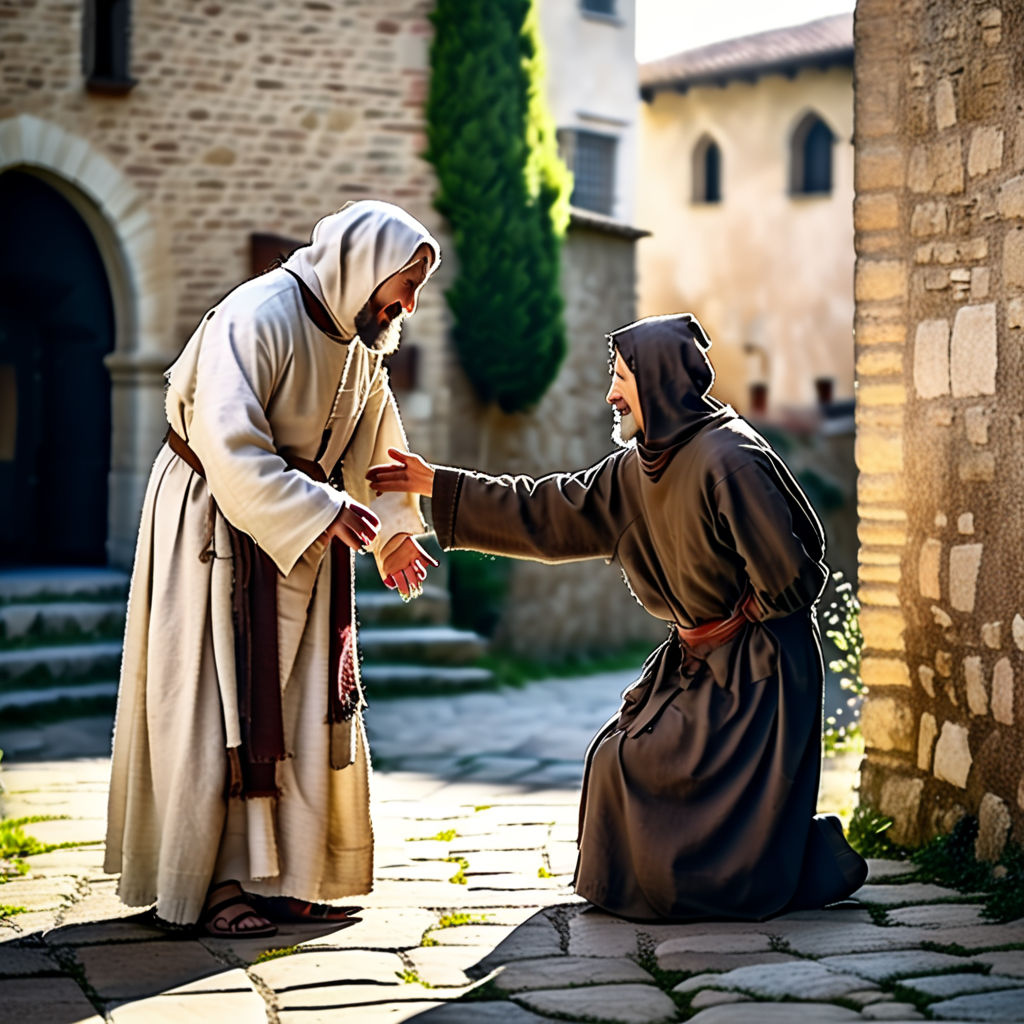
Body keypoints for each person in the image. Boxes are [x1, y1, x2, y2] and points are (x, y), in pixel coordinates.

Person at [367, 312, 868, 921]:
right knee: (614, 753)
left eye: (622, 377)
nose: (611, 393)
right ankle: (696, 875)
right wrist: (443, 487)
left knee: (641, 762)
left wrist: (744, 615)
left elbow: (792, 575)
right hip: (707, 665)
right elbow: (548, 513)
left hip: (761, 676)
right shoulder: (637, 468)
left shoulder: (726, 457)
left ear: (657, 381)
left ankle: (742, 875)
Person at [105, 200, 441, 937]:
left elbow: (375, 452)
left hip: (299, 537)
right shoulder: (256, 314)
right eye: (405, 284)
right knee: (215, 707)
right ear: (363, 267)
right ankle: (213, 884)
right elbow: (230, 446)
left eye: (416, 289)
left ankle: (288, 877)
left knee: (295, 711)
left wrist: (392, 536)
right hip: (213, 528)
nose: (409, 304)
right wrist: (321, 510)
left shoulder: (359, 343)